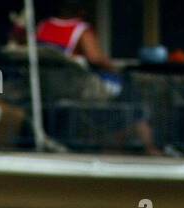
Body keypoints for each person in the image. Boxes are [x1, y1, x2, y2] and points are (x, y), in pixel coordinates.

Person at [9, 2, 161, 154]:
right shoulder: (80, 29)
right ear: (81, 9)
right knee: (130, 94)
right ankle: (148, 145)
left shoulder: (43, 26)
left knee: (121, 103)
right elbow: (95, 58)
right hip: (78, 89)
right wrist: (118, 69)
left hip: (48, 91)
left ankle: (118, 143)